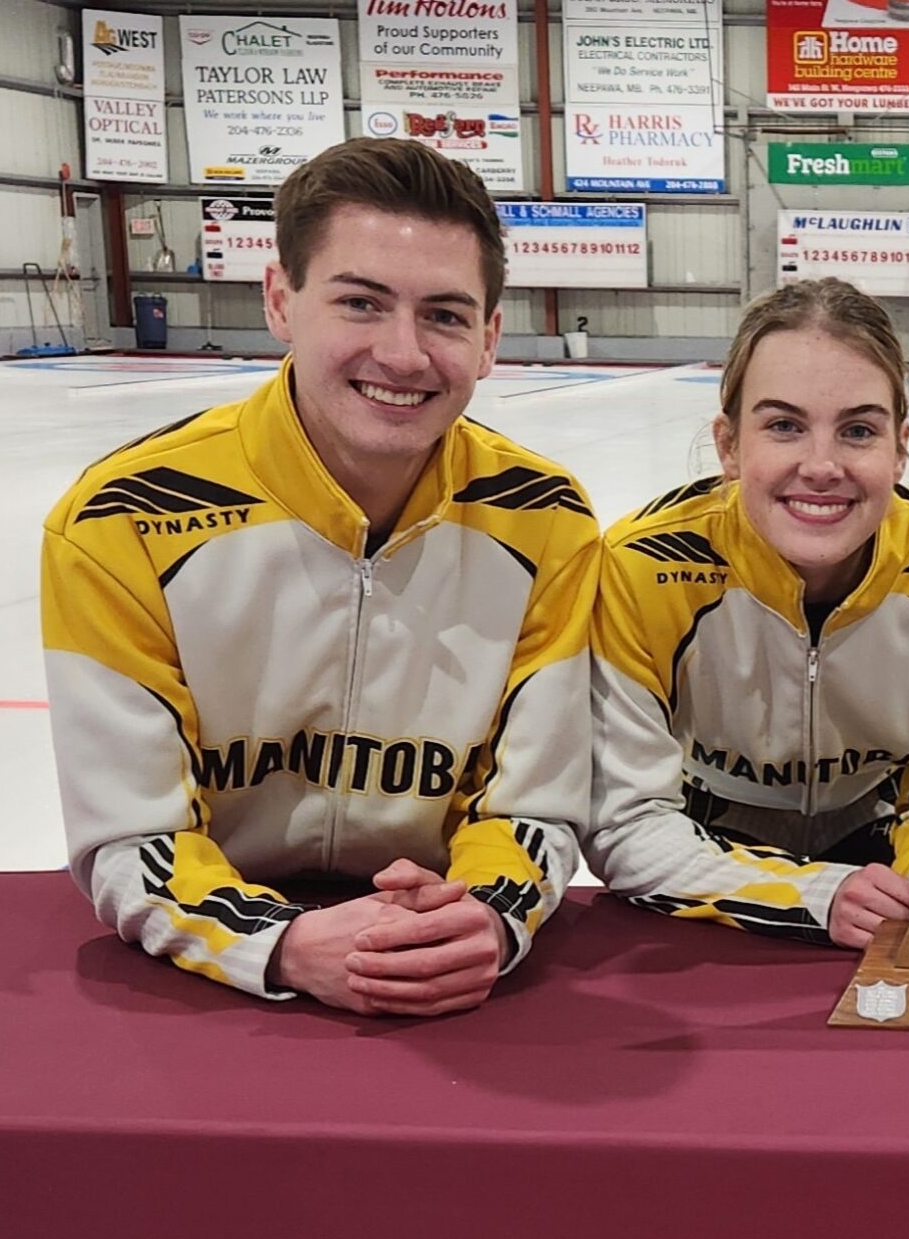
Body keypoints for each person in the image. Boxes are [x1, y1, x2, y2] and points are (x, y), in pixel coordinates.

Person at [42, 138, 599, 1016]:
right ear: (281, 301)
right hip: (216, 972)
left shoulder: (547, 519)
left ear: (490, 338)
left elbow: (538, 800)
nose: (404, 353)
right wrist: (282, 942)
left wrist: (485, 918)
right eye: (361, 303)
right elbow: (132, 831)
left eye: (446, 315)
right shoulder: (124, 517)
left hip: (442, 952)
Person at [586, 279, 909, 949]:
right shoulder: (641, 567)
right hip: (702, 884)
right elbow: (624, 825)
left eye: (858, 430)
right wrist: (813, 892)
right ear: (730, 445)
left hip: (886, 899)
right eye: (784, 426)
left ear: (900, 446)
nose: (821, 465)